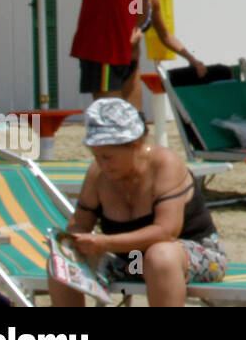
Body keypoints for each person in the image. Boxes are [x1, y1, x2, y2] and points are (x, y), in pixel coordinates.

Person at [49, 98, 226, 307]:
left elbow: (166, 232)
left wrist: (105, 243)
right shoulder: (97, 174)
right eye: (97, 157)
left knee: (160, 255)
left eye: (108, 157)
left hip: (189, 256)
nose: (102, 165)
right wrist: (73, 239)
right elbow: (80, 222)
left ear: (135, 145)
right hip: (129, 260)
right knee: (60, 259)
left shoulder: (165, 165)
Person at [130, 0, 207, 111]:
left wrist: (191, 59)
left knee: (135, 119)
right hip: (114, 64)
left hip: (132, 65)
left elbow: (165, 36)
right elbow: (133, 27)